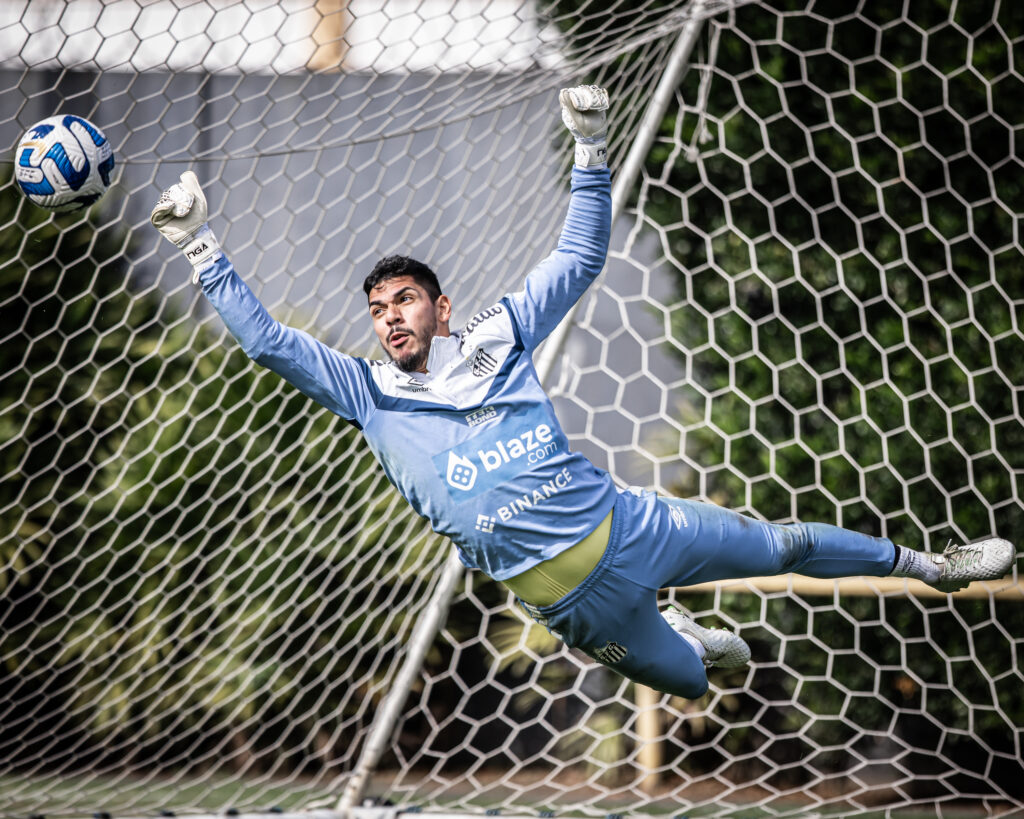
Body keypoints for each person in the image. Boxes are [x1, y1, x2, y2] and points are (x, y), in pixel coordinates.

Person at [151, 85, 1016, 699]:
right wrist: (200, 245)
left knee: (780, 544)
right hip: (564, 602)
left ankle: (933, 566)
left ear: (440, 304)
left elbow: (578, 261)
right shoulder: (367, 391)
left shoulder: (496, 333)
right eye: (377, 309)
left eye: (405, 298)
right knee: (696, 681)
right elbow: (267, 341)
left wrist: (593, 149)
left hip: (634, 530)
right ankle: (686, 642)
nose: (390, 317)